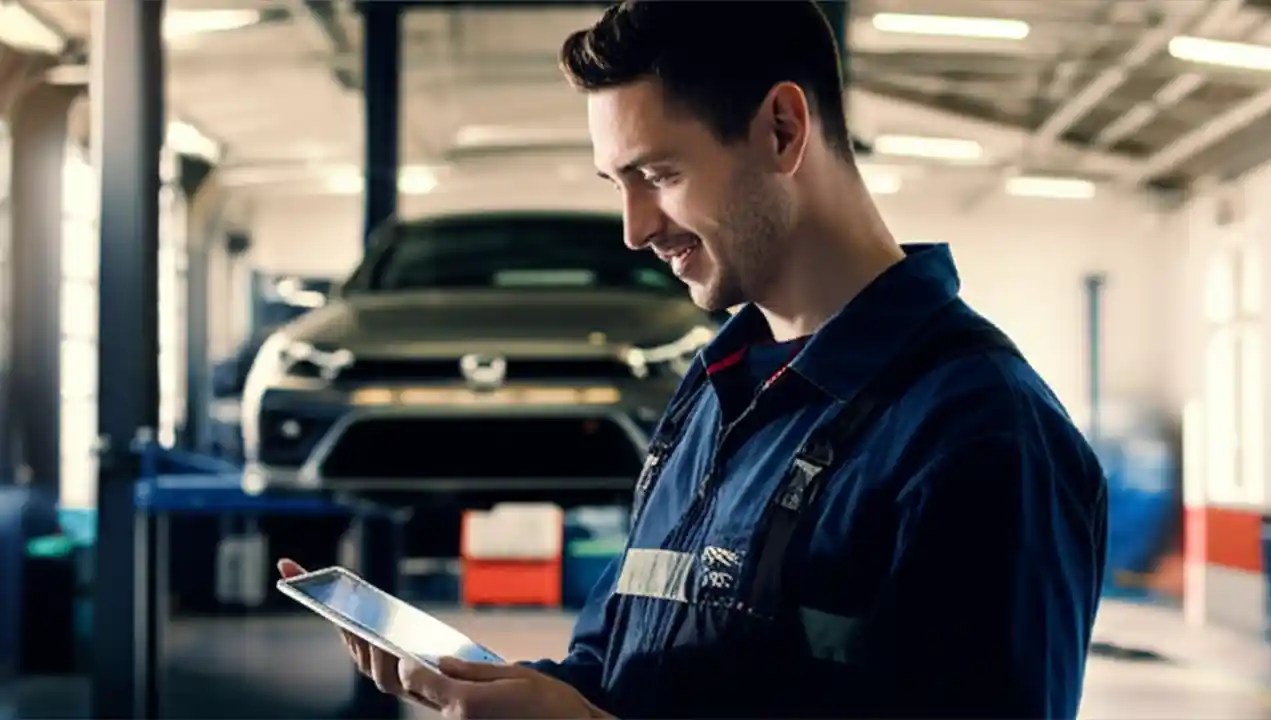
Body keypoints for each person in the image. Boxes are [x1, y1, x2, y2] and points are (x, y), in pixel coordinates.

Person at [280, 1, 1108, 717]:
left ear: (782, 130)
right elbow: (627, 671)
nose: (635, 228)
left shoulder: (983, 432)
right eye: (618, 183)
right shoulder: (713, 392)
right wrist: (512, 691)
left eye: (659, 173)